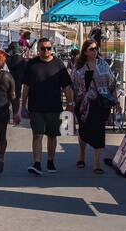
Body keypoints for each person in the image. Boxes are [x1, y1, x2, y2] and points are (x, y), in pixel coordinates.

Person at [18, 36, 73, 176]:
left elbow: (66, 87)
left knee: (52, 136)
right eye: (43, 48)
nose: (46, 51)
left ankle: (50, 161)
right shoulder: (31, 64)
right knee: (37, 135)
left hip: (54, 107)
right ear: (38, 49)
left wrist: (70, 104)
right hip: (36, 107)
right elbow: (26, 87)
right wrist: (22, 106)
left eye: (49, 48)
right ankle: (37, 163)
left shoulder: (59, 64)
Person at [72, 36, 119, 174]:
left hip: (100, 103)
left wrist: (116, 102)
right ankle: (81, 155)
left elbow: (112, 84)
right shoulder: (79, 67)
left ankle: (97, 164)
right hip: (83, 104)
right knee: (83, 130)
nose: (95, 51)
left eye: (96, 49)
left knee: (99, 132)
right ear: (85, 51)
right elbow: (74, 85)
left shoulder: (103, 64)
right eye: (91, 49)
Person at [5, 41, 26, 109]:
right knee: (17, 95)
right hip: (19, 79)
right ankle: (16, 110)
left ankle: (10, 108)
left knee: (9, 94)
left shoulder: (9, 58)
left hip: (9, 78)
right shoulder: (22, 59)